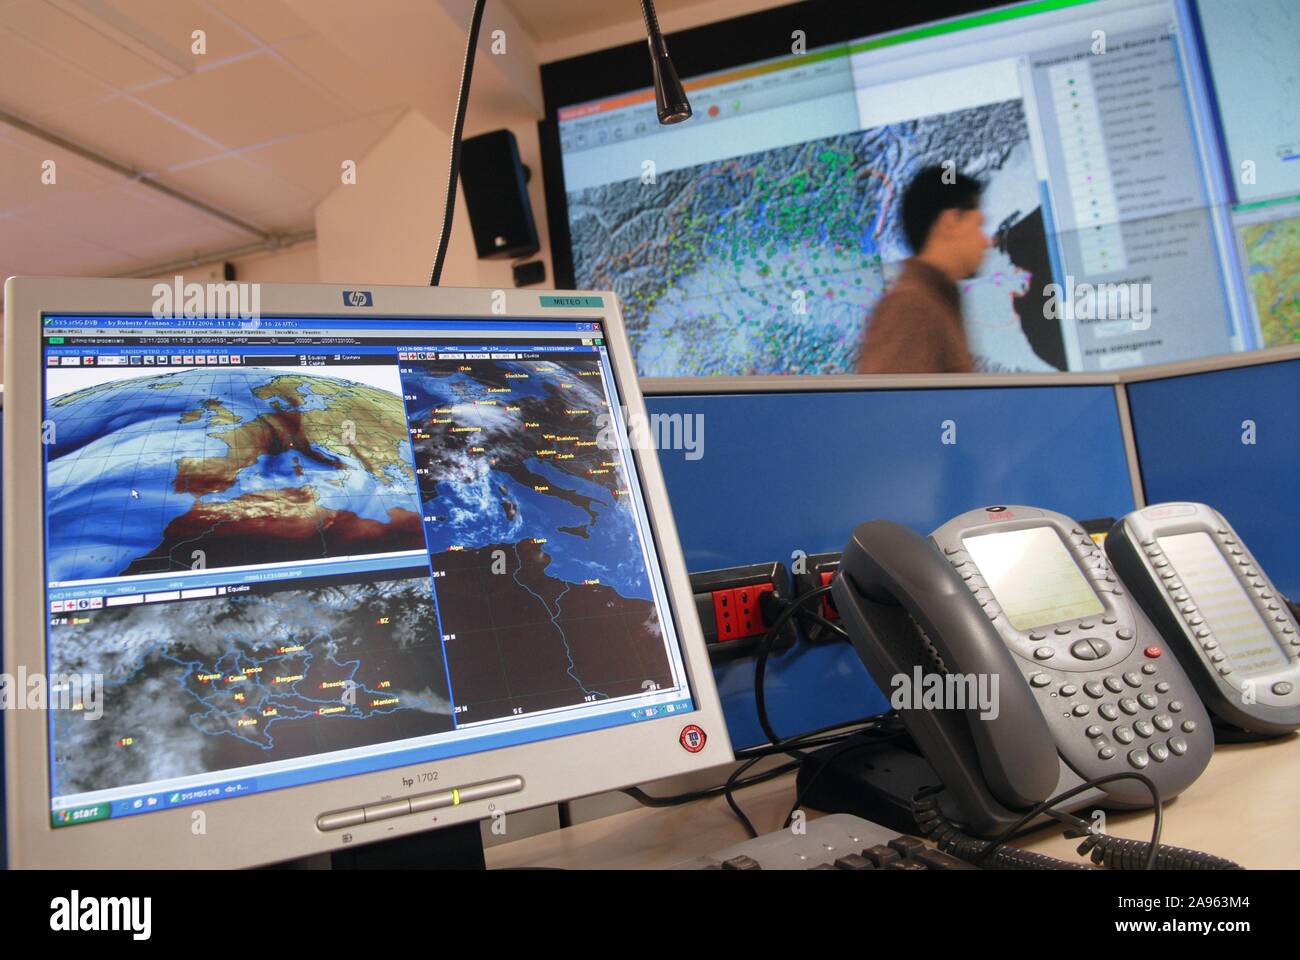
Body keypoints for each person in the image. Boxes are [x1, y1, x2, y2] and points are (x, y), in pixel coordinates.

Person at [856, 166, 990, 374]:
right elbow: (889, 404)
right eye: (979, 225)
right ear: (950, 222)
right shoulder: (910, 308)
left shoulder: (931, 301)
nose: (986, 241)